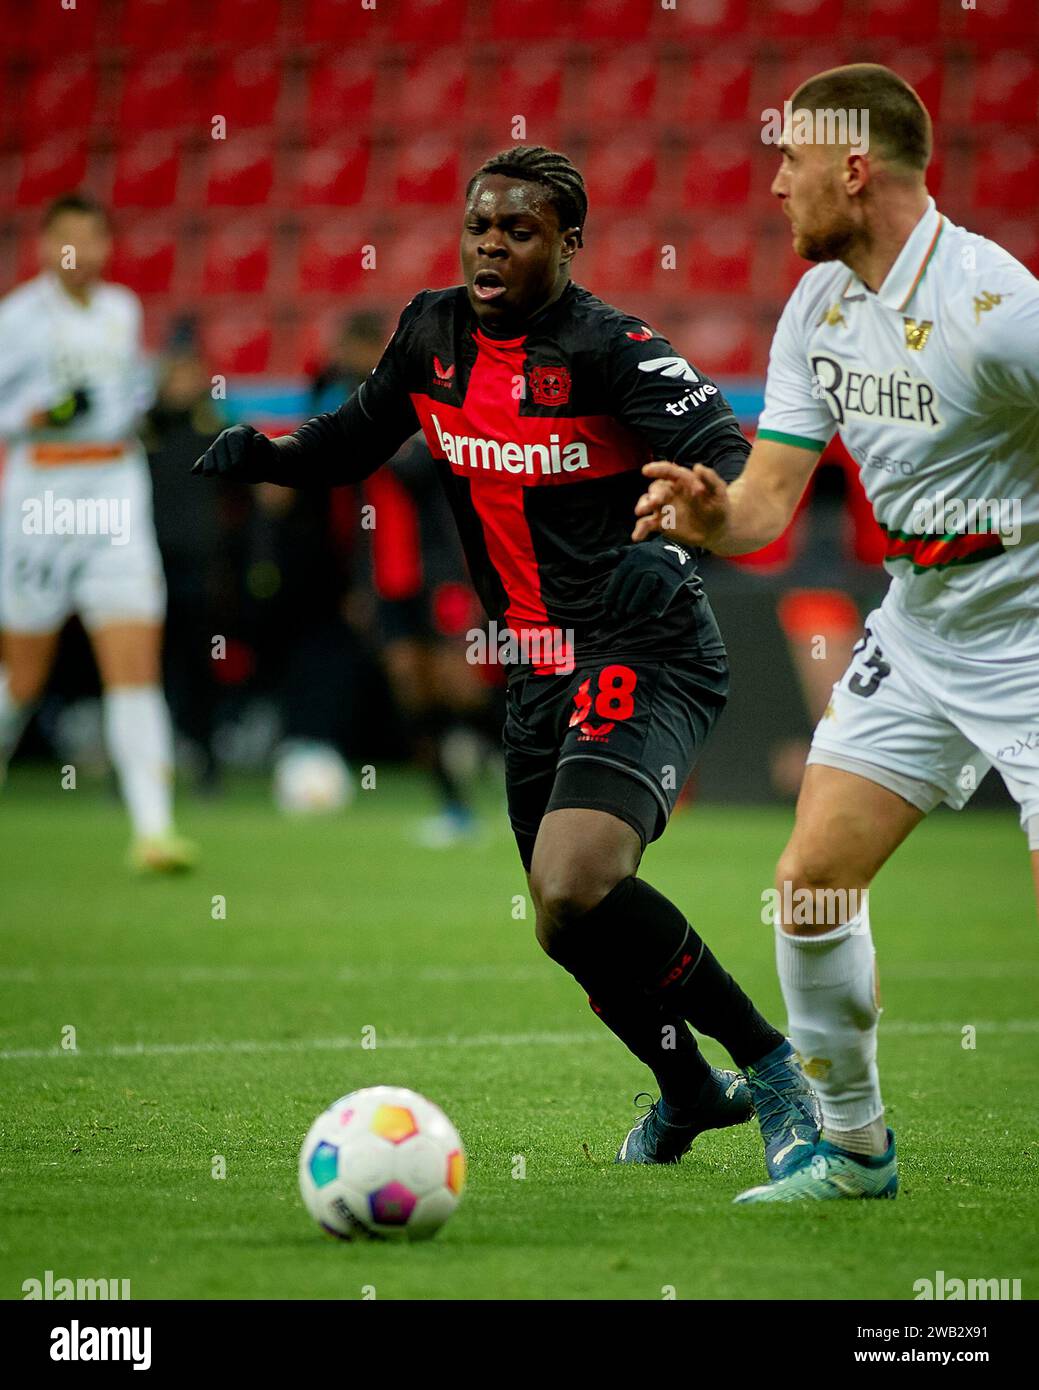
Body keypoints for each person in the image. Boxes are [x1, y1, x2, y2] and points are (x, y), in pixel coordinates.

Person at [193, 145, 819, 1172]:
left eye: (517, 230)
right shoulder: (431, 332)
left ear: (569, 243)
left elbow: (725, 451)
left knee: (576, 880)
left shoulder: (612, 348)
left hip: (642, 640)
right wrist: (269, 454)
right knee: (565, 925)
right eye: (479, 226)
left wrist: (692, 512)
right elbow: (355, 436)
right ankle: (686, 1090)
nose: (490, 245)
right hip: (534, 666)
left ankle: (774, 1066)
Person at [634, 65, 1039, 1202]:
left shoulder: (995, 308)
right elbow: (765, 500)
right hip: (919, 625)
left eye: (790, 160)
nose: (772, 185)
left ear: (853, 170)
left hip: (1030, 631)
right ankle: (855, 1148)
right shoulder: (818, 308)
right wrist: (716, 515)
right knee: (810, 884)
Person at [0, 193, 195, 871]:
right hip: (44, 495)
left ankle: (154, 831)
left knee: (135, 665)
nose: (80, 254)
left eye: (93, 240)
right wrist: (48, 408)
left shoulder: (121, 310)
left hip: (114, 489)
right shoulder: (18, 319)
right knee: (22, 677)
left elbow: (125, 398)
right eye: (67, 241)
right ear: (46, 247)